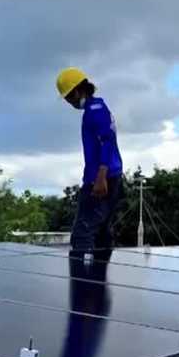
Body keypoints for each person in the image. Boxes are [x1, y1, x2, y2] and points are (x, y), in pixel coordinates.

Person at [56, 67, 124, 262]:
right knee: (101, 232)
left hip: (101, 179)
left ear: (77, 91)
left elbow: (107, 140)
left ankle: (82, 279)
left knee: (82, 233)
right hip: (108, 176)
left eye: (68, 98)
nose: (69, 103)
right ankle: (99, 277)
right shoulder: (98, 108)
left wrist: (100, 177)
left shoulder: (94, 111)